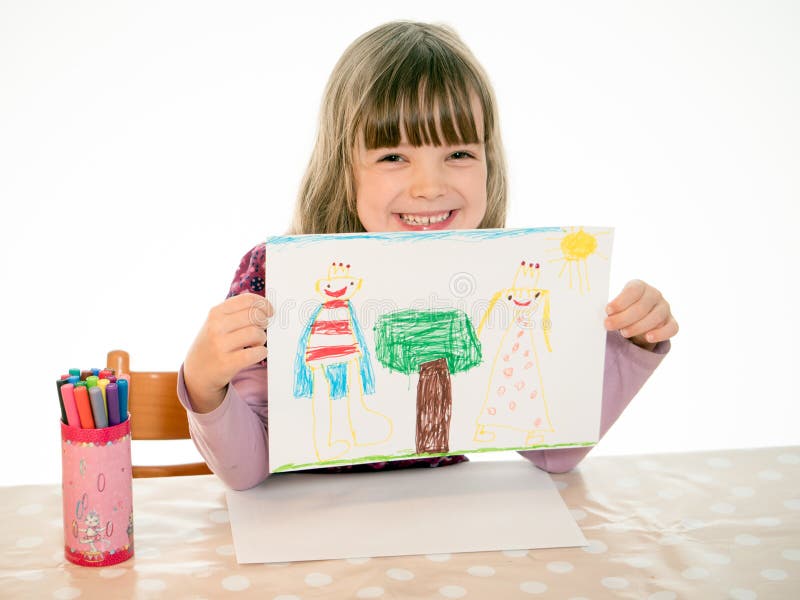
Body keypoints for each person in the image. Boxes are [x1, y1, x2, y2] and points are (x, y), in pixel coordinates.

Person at [179, 21, 678, 490]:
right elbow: (247, 471)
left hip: (443, 542)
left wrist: (628, 343)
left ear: (489, 162)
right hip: (312, 547)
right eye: (393, 156)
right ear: (342, 167)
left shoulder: (506, 277)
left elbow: (556, 453)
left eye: (459, 154)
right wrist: (204, 384)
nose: (429, 186)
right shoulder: (274, 277)